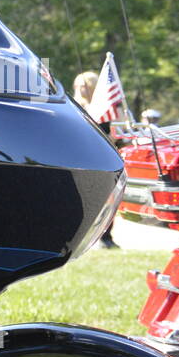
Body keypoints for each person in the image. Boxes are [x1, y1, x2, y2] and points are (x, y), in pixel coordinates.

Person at [73, 71, 119, 248]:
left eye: (84, 85)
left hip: (102, 160)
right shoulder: (74, 107)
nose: (80, 88)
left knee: (106, 201)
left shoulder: (103, 110)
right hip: (81, 160)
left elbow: (112, 136)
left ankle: (106, 237)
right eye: (78, 85)